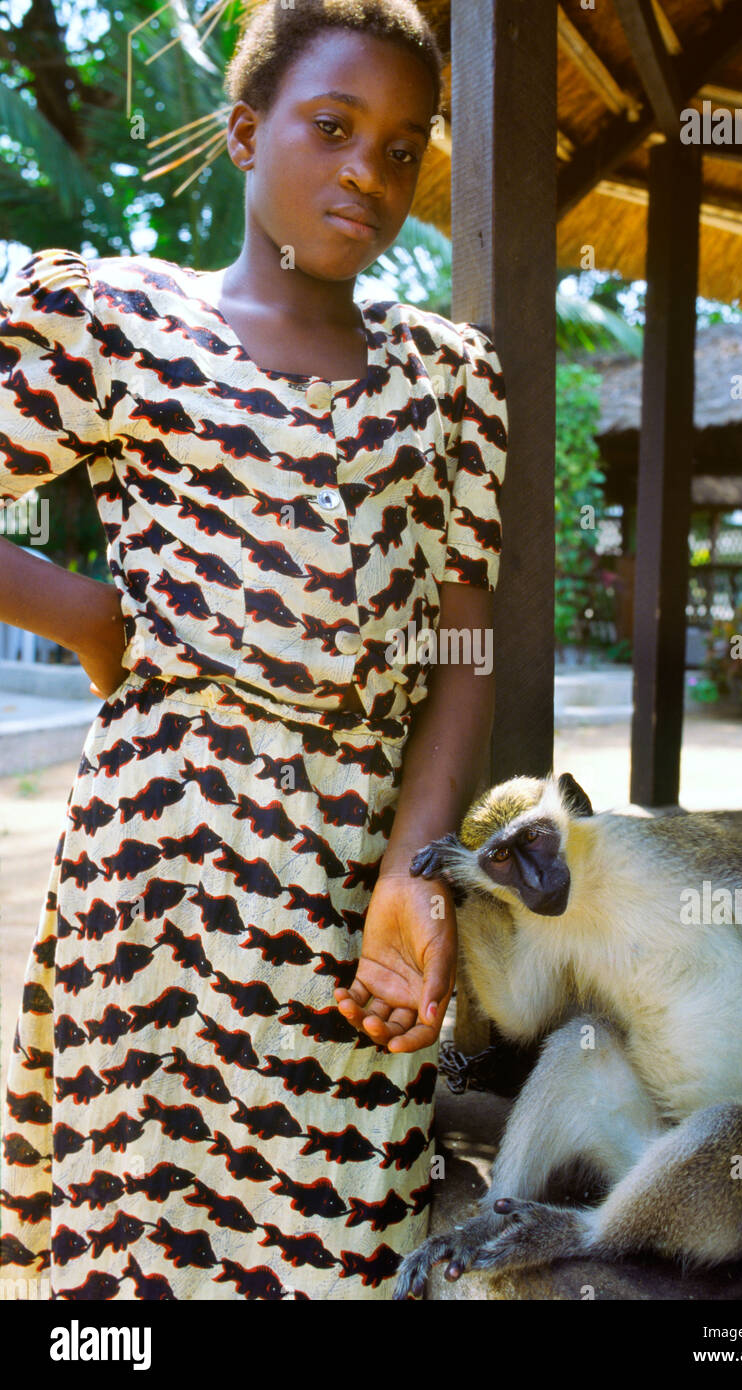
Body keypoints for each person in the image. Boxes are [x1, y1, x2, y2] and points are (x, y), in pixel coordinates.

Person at [0, 0, 506, 1300]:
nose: (367, 173)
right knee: (132, 1268)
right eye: (332, 128)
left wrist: (419, 867)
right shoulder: (118, 322)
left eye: (403, 147)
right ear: (245, 131)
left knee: (339, 1244)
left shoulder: (451, 381)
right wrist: (93, 616)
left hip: (355, 906)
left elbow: (461, 642)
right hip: (156, 885)